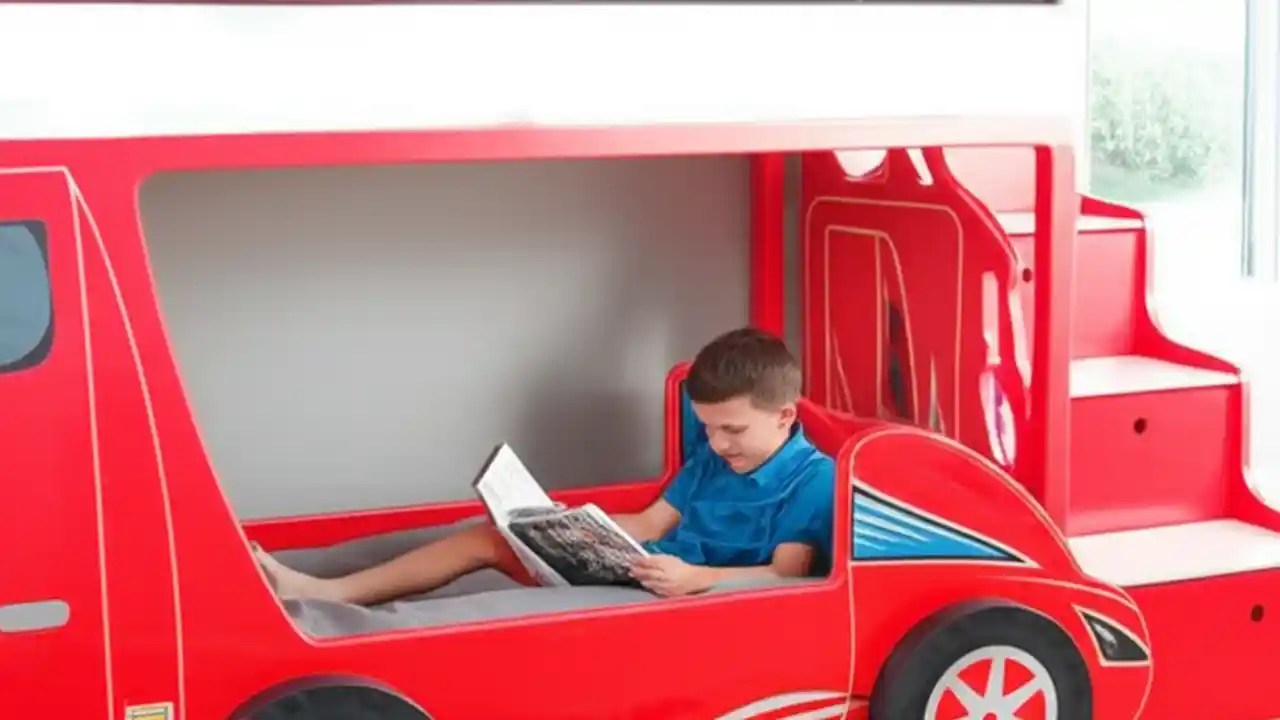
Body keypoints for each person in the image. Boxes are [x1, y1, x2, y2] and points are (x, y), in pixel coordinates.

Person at [255, 326, 836, 605]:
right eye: (707, 426)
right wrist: (573, 521)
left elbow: (790, 574)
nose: (715, 442)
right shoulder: (714, 458)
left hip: (685, 597)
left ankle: (343, 604)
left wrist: (698, 579)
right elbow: (652, 523)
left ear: (784, 416)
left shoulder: (814, 479)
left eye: (731, 429)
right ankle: (329, 590)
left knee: (518, 599)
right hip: (651, 568)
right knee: (489, 537)